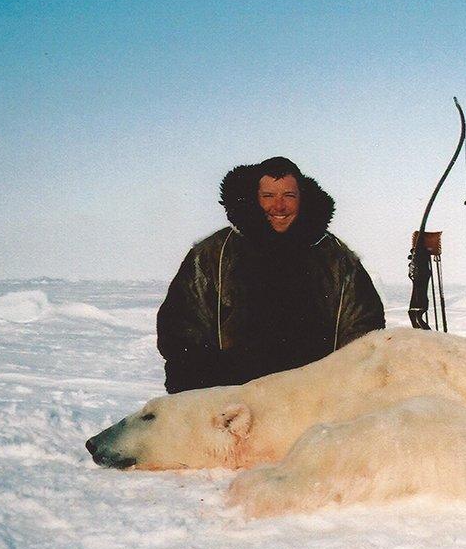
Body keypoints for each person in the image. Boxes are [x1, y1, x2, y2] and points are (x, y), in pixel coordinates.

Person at [157, 156, 385, 393]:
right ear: (254, 198)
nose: (279, 206)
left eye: (289, 196)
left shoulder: (337, 258)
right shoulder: (214, 254)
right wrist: (201, 390)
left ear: (302, 199)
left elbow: (363, 332)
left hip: (314, 401)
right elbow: (181, 329)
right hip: (234, 405)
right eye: (268, 196)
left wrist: (345, 390)